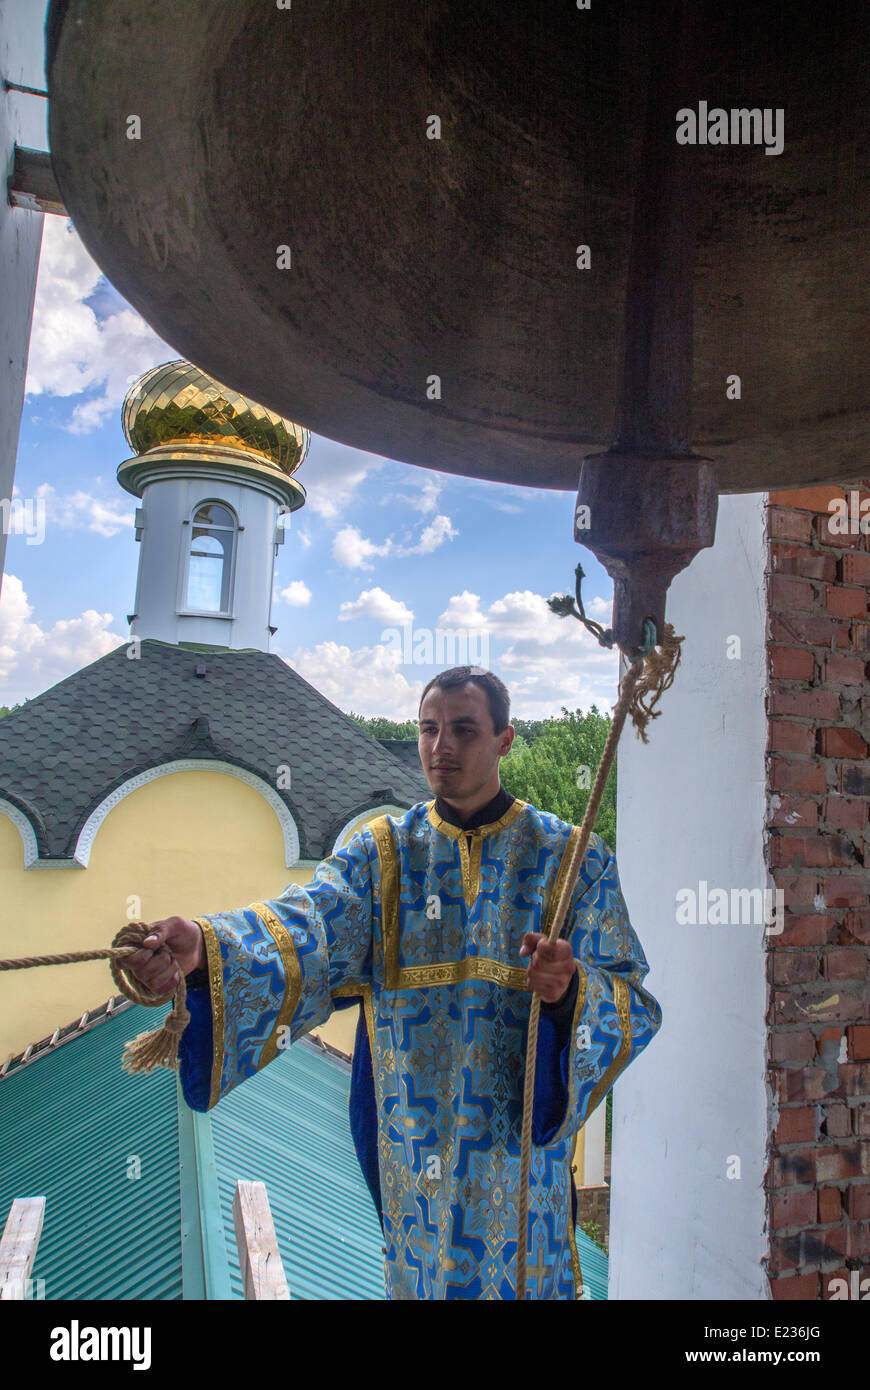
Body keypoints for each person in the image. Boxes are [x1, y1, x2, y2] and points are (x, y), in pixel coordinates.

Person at [125, 666, 662, 1299]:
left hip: (517, 1166)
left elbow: (631, 1000)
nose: (442, 747)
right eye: (429, 729)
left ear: (505, 740)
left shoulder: (570, 859)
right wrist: (207, 944)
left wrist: (569, 990)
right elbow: (306, 927)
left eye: (464, 729)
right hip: (414, 1159)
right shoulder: (384, 854)